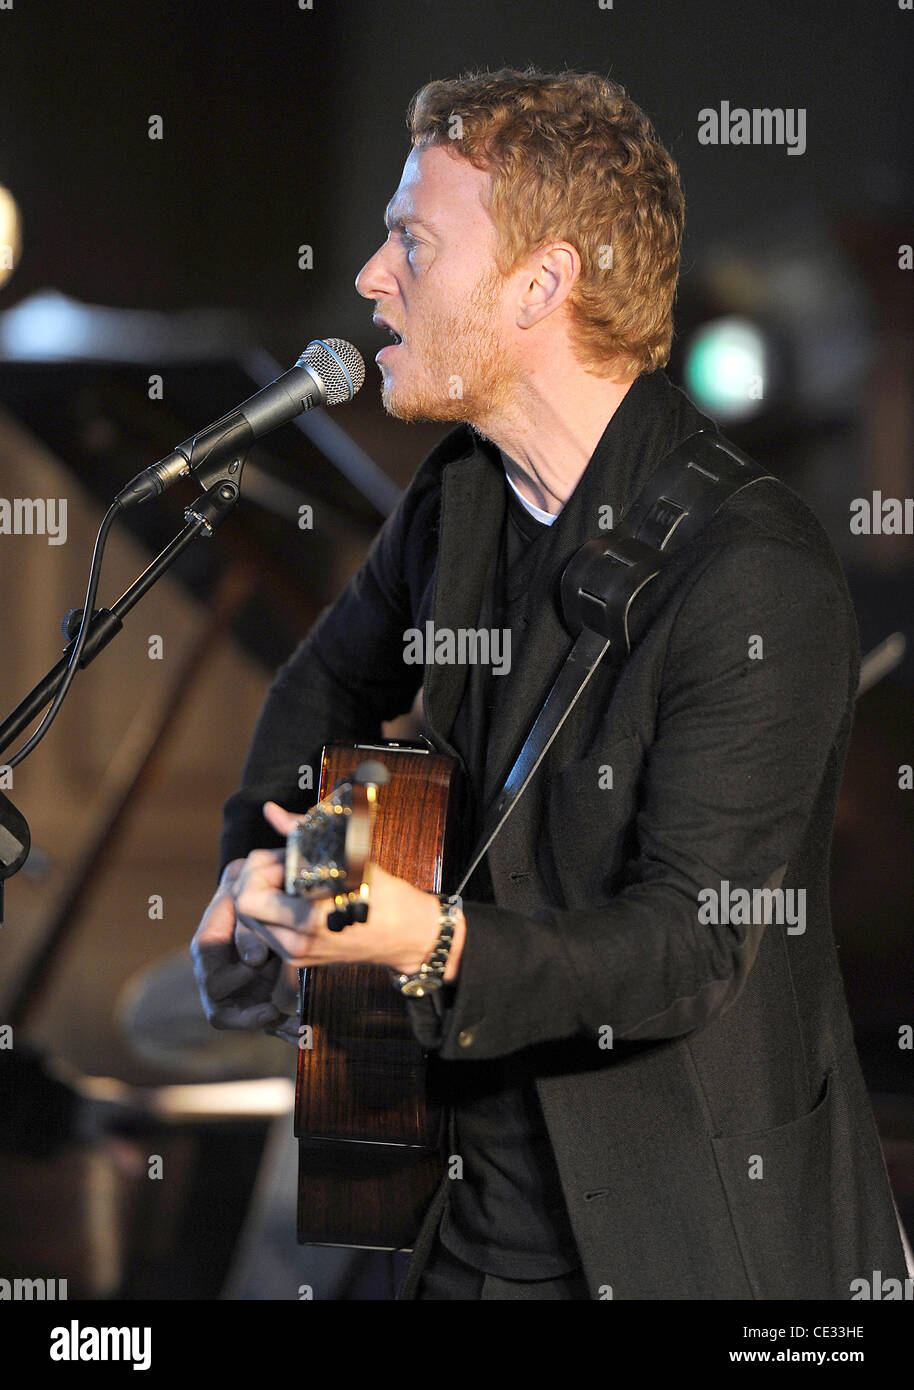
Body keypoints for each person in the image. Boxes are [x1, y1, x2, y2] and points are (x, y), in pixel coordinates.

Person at [191, 67, 908, 1300]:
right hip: (431, 1212)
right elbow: (320, 694)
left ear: (541, 282)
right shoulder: (459, 493)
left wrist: (433, 940)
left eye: (411, 241)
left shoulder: (754, 573)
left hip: (668, 1236)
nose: (370, 275)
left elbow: (686, 948)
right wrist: (266, 880)